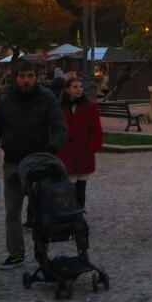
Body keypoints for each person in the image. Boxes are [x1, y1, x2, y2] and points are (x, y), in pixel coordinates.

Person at [0, 60, 67, 270]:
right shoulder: (6, 101)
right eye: (22, 76)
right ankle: (16, 253)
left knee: (41, 211)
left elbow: (60, 127)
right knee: (12, 213)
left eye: (30, 76)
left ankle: (42, 249)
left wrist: (52, 149)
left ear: (36, 77)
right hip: (13, 163)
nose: (26, 80)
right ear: (16, 78)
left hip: (39, 164)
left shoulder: (47, 98)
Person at [56, 76, 103, 209]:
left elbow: (97, 130)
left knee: (81, 188)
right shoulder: (60, 107)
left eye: (80, 87)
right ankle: (68, 214)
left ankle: (79, 215)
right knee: (67, 188)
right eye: (75, 87)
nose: (79, 90)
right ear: (67, 90)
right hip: (66, 154)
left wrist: (90, 148)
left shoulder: (91, 106)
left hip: (83, 154)